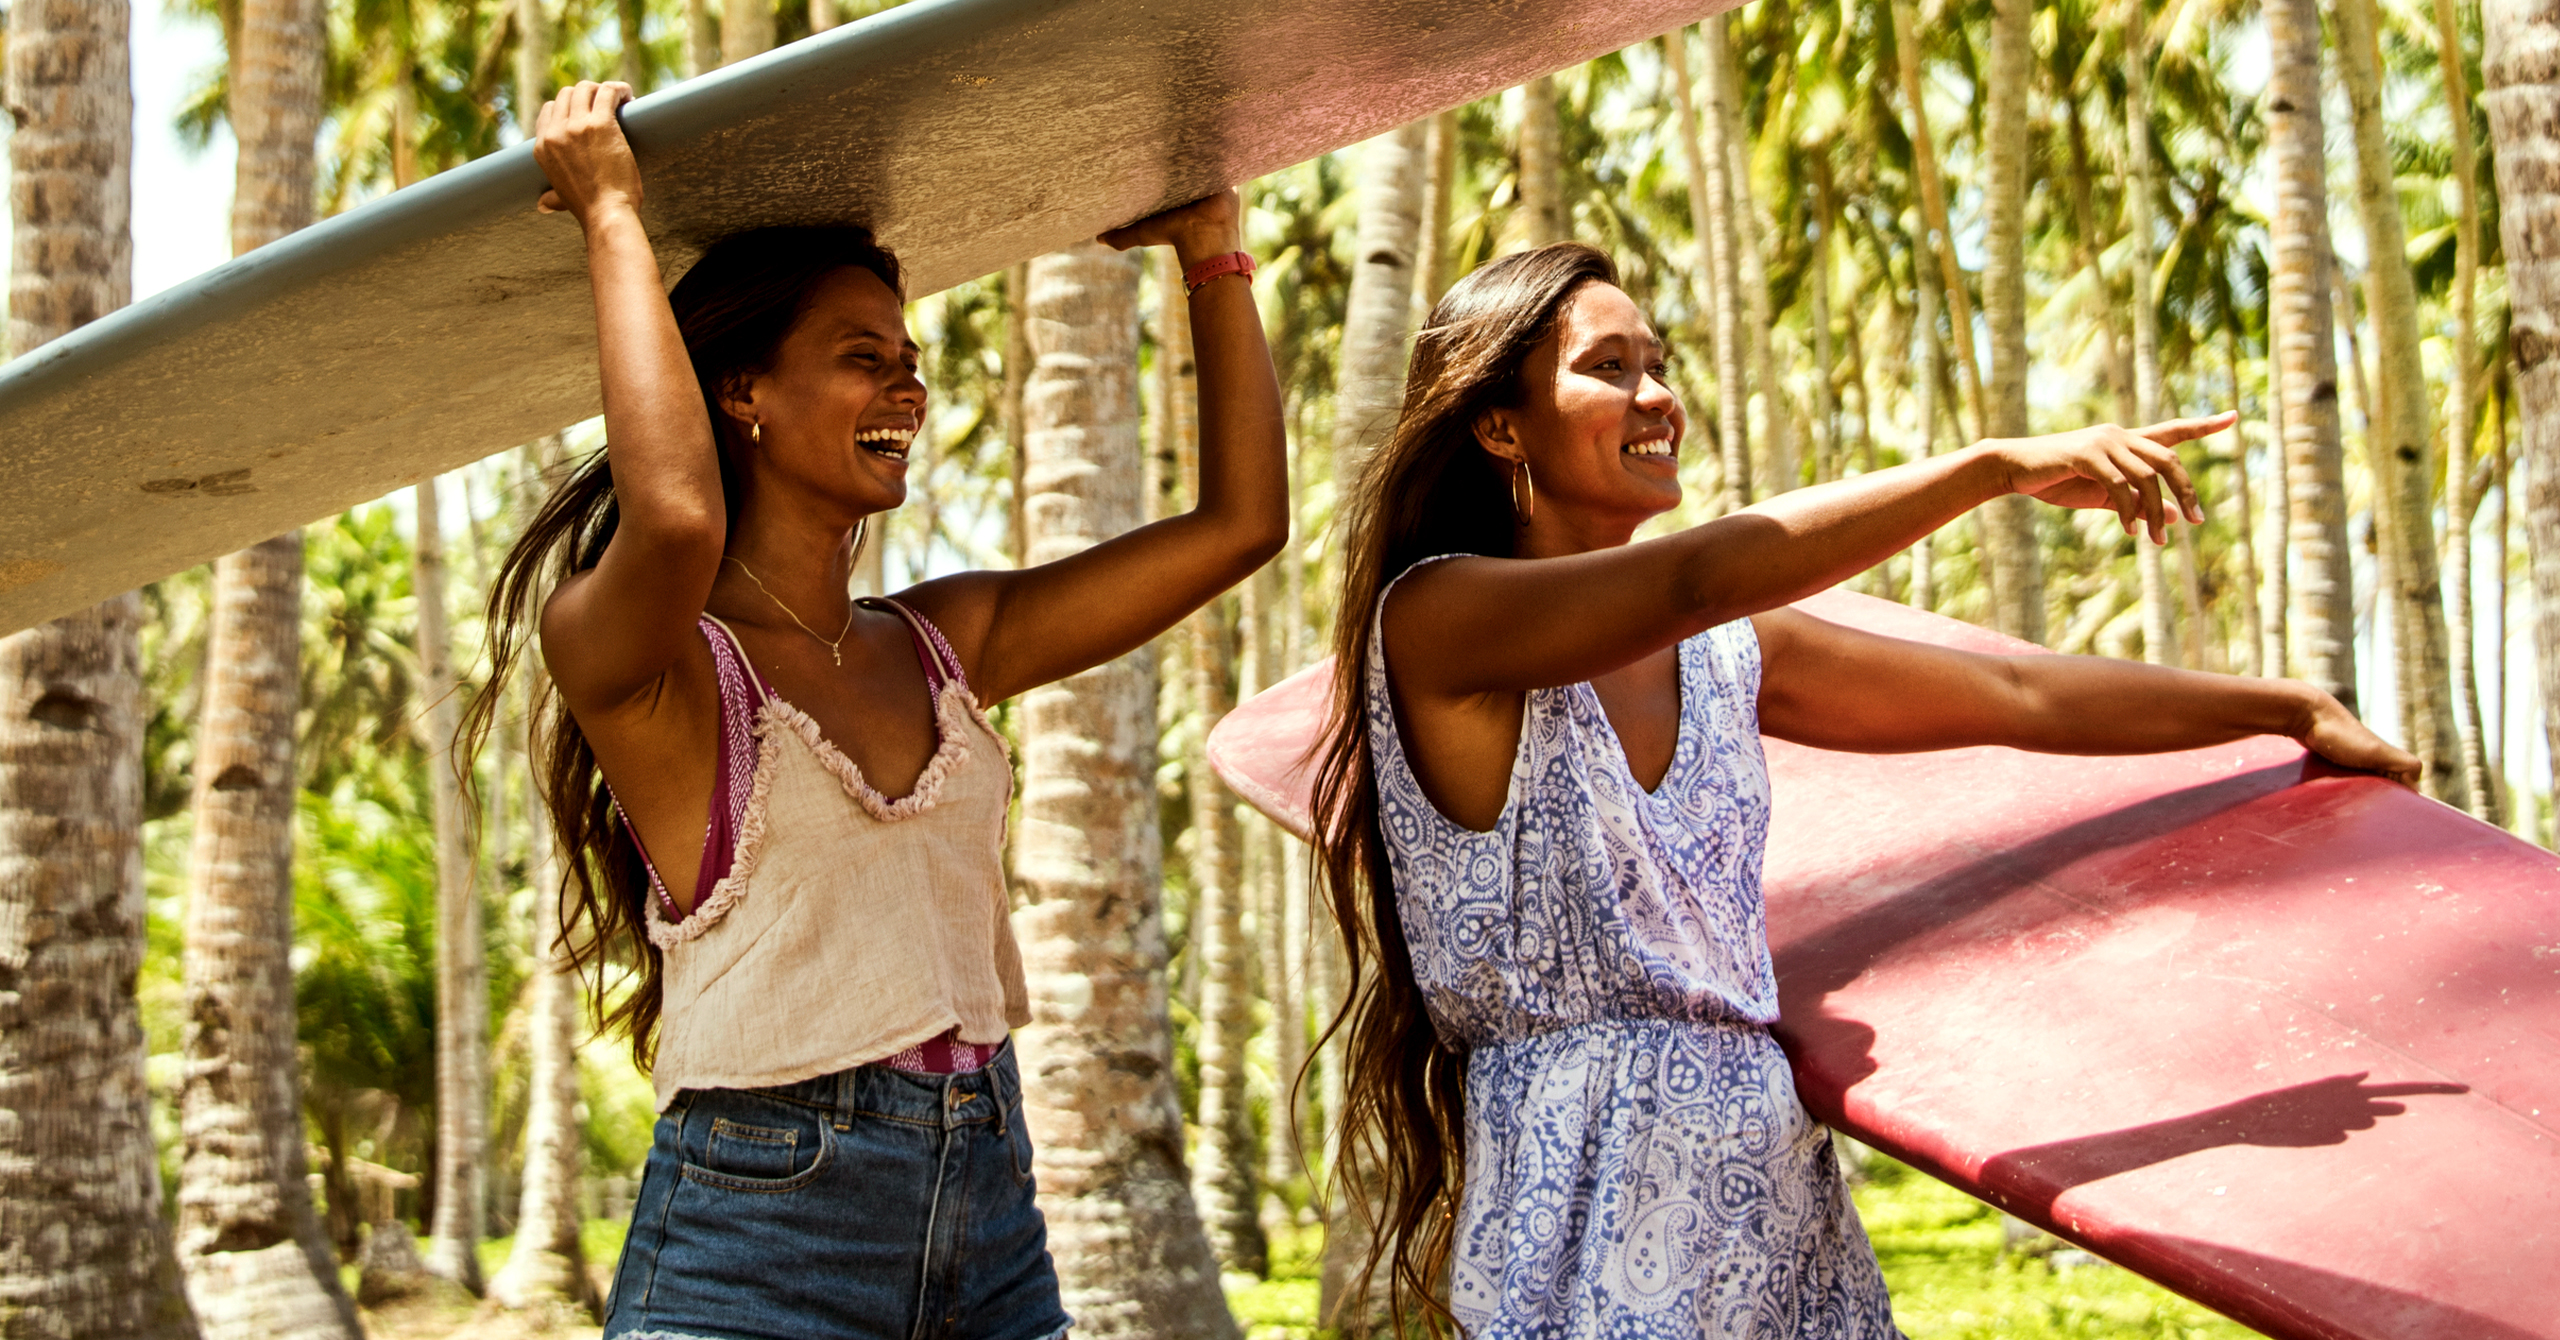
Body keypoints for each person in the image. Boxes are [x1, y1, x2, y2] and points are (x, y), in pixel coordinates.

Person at [1306, 242, 2416, 1338]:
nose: (1658, 396)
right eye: (1609, 368)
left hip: (1771, 1199)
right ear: (1500, 425)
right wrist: (1995, 467)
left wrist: (2275, 706)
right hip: (1577, 1193)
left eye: (1660, 360)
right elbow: (1702, 569)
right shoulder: (1438, 618)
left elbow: (2017, 693)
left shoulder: (1730, 650)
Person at [465, 81, 1287, 1340]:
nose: (908, 390)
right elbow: (679, 515)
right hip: (761, 1230)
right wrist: (612, 212)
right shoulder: (640, 656)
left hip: (991, 1210)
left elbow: (1239, 527)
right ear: (743, 392)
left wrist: (1214, 249)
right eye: (864, 359)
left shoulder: (943, 641)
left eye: (912, 363)